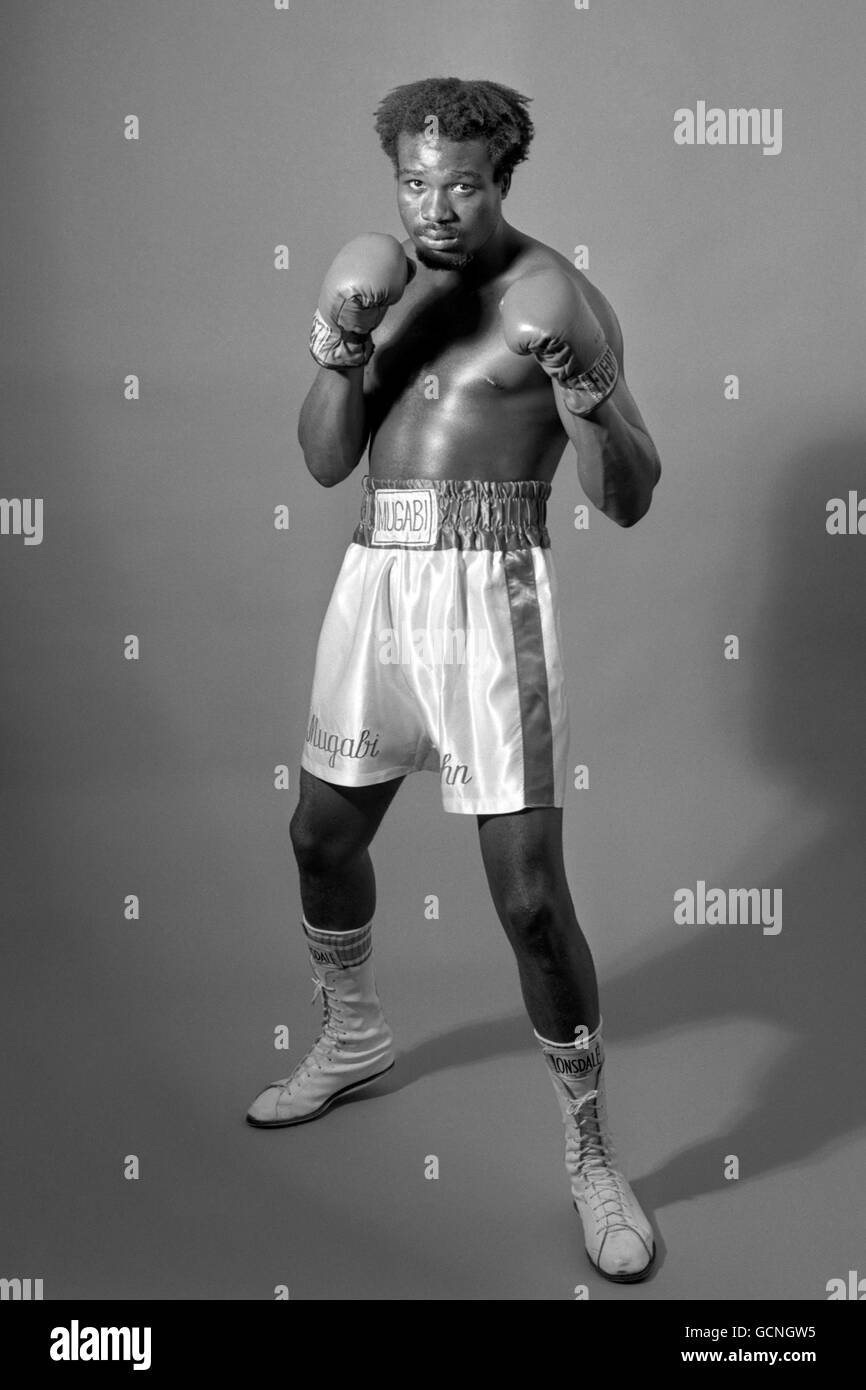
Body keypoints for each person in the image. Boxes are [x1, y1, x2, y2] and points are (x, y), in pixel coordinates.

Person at [247, 77, 662, 1284]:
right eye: (413, 183)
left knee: (528, 901)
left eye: (461, 184)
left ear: (502, 179)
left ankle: (589, 1153)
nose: (434, 207)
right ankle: (354, 1035)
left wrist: (583, 389)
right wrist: (339, 340)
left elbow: (629, 495)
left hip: (493, 599)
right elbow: (329, 463)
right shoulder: (388, 289)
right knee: (318, 838)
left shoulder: (560, 296)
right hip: (378, 577)